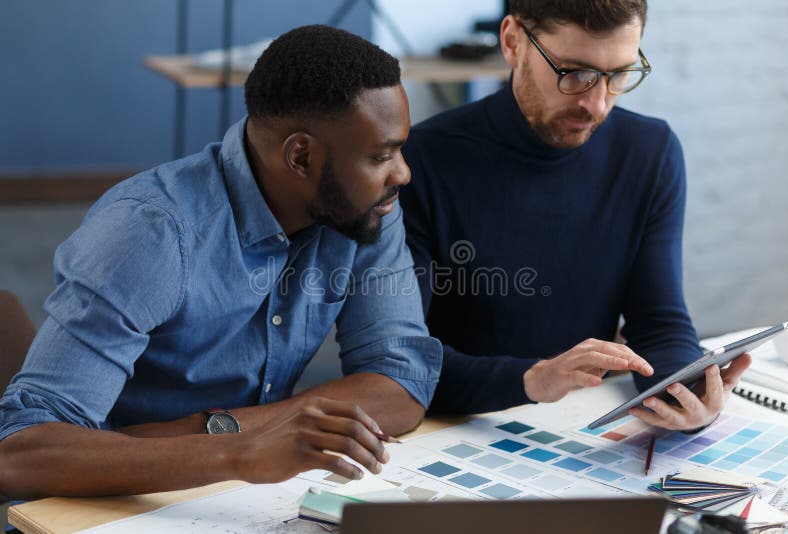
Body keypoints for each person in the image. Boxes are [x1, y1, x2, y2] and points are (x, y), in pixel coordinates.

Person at [0, 25, 441, 500]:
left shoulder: (367, 208)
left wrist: (225, 430)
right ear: (301, 156)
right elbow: (20, 455)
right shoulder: (149, 233)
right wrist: (239, 450)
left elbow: (400, 383)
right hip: (114, 495)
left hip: (240, 489)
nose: (403, 172)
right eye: (381, 155)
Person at [399, 0, 749, 431]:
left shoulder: (648, 153)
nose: (597, 104)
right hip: (451, 428)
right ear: (512, 42)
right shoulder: (419, 162)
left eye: (619, 74)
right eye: (574, 73)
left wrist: (687, 390)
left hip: (577, 426)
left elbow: (659, 321)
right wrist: (532, 378)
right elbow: (402, 363)